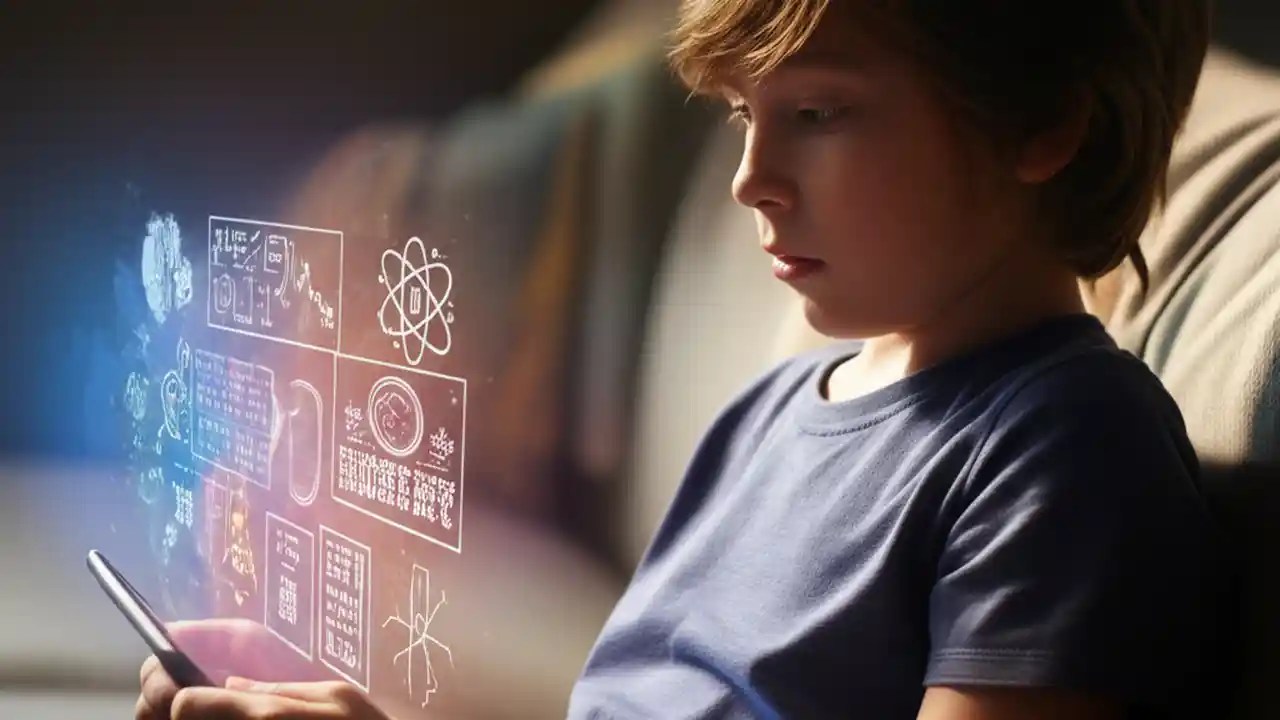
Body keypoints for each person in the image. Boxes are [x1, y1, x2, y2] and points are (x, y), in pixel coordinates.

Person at [137, 0, 1230, 718]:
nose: (750, 177)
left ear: (1044, 126)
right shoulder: (765, 415)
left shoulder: (1065, 447)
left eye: (816, 112)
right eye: (743, 119)